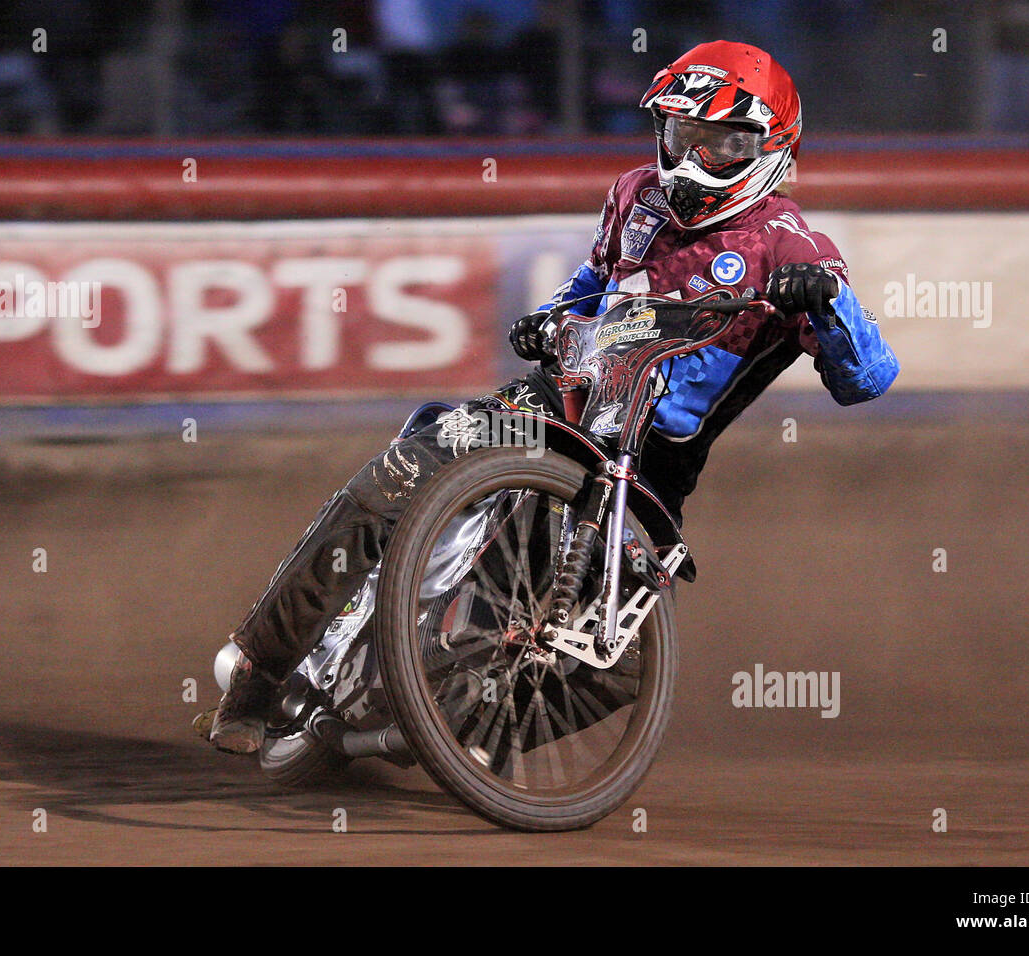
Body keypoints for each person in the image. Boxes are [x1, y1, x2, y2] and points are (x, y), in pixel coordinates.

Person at [201, 40, 900, 754]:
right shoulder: (634, 196)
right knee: (397, 477)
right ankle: (258, 670)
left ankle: (463, 738)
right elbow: (586, 289)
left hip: (649, 472)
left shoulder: (791, 246)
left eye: (718, 145)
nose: (690, 164)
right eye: (681, 137)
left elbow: (869, 378)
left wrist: (829, 301)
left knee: (624, 667)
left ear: (770, 147)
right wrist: (548, 318)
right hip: (549, 409)